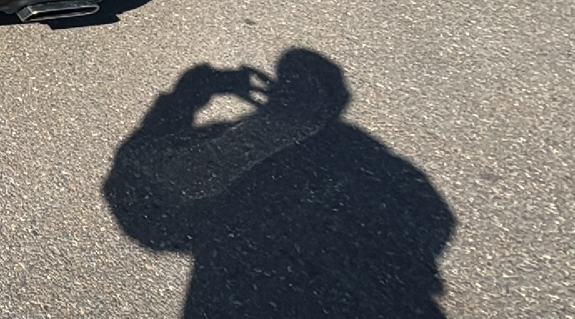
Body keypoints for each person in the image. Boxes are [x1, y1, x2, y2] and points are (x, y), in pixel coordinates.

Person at [103, 49, 456, 318]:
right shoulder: (362, 152)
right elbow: (432, 218)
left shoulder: (356, 151)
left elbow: (139, 190)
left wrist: (190, 92)